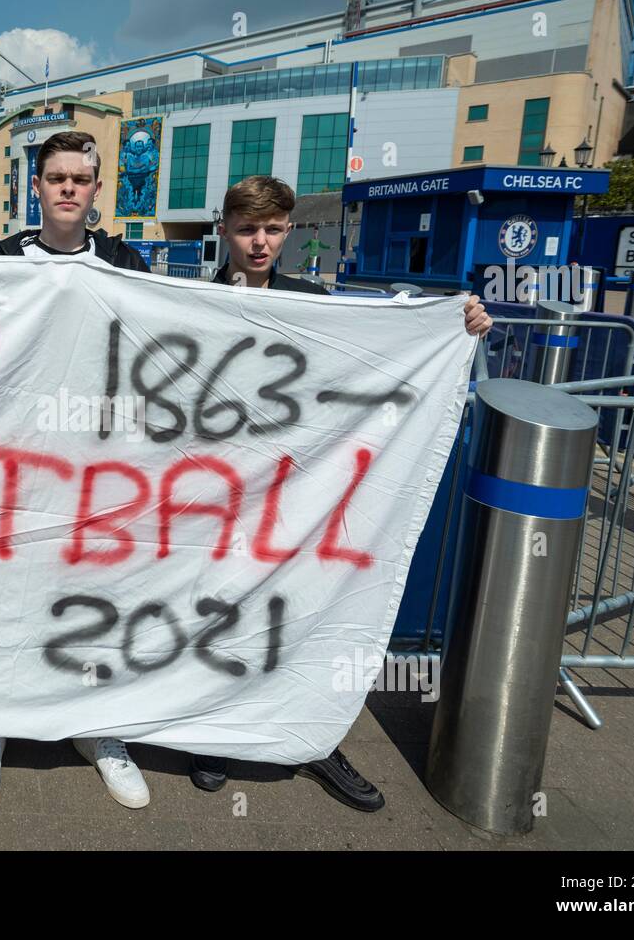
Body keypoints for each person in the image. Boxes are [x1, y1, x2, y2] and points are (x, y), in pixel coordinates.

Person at [193, 175, 492, 812]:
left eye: (274, 229)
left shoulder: (314, 299)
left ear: (290, 230)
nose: (260, 242)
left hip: (299, 497)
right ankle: (212, 735)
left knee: (305, 611)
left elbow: (380, 342)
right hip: (217, 498)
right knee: (219, 612)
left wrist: (456, 322)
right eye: (248, 228)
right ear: (224, 229)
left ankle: (314, 739)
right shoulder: (187, 299)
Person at [0, 130, 150, 815]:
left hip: (99, 469)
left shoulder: (128, 261)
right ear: (34, 188)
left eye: (81, 178)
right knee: (7, 593)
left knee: (95, 598)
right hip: (15, 464)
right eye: (57, 177)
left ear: (97, 189)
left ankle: (97, 727)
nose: (69, 187)